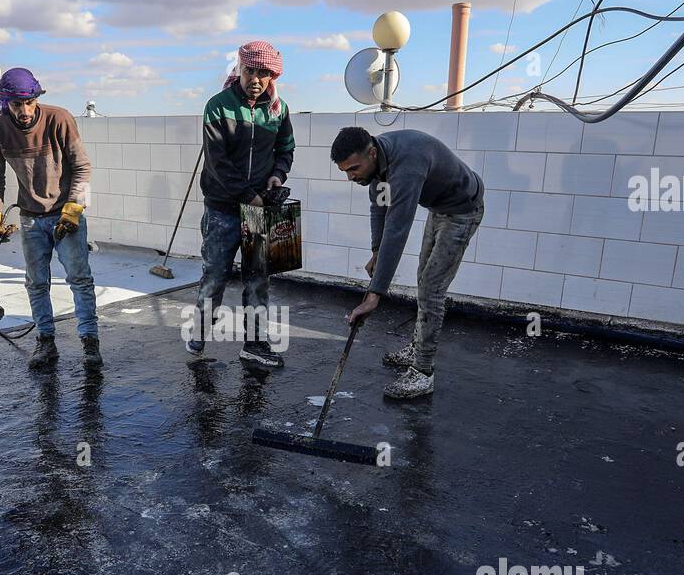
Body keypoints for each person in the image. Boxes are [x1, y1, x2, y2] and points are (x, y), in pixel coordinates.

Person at [331, 126, 485, 399]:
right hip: (440, 209)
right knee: (423, 279)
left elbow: (397, 228)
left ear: (372, 152)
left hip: (462, 210)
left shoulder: (406, 165)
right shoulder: (378, 167)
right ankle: (418, 346)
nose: (350, 177)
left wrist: (374, 295)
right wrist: (377, 251)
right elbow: (379, 208)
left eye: (353, 168)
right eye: (345, 171)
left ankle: (423, 372)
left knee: (431, 288)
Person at [187, 41, 295, 369]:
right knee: (215, 274)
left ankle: (256, 344)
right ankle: (202, 326)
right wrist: (250, 196)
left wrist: (277, 174)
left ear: (272, 74)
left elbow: (285, 148)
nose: (256, 79)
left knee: (258, 280)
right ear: (240, 69)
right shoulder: (218, 106)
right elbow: (217, 162)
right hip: (222, 209)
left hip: (260, 211)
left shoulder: (278, 109)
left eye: (264, 73)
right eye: (251, 71)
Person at [0, 67, 101, 370]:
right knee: (36, 283)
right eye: (16, 105)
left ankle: (90, 343)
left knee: (79, 279)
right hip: (31, 219)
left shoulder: (59, 119)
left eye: (29, 102)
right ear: (5, 103)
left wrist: (73, 211)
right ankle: (45, 342)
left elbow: (82, 168)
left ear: (36, 97)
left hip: (66, 214)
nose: (24, 111)